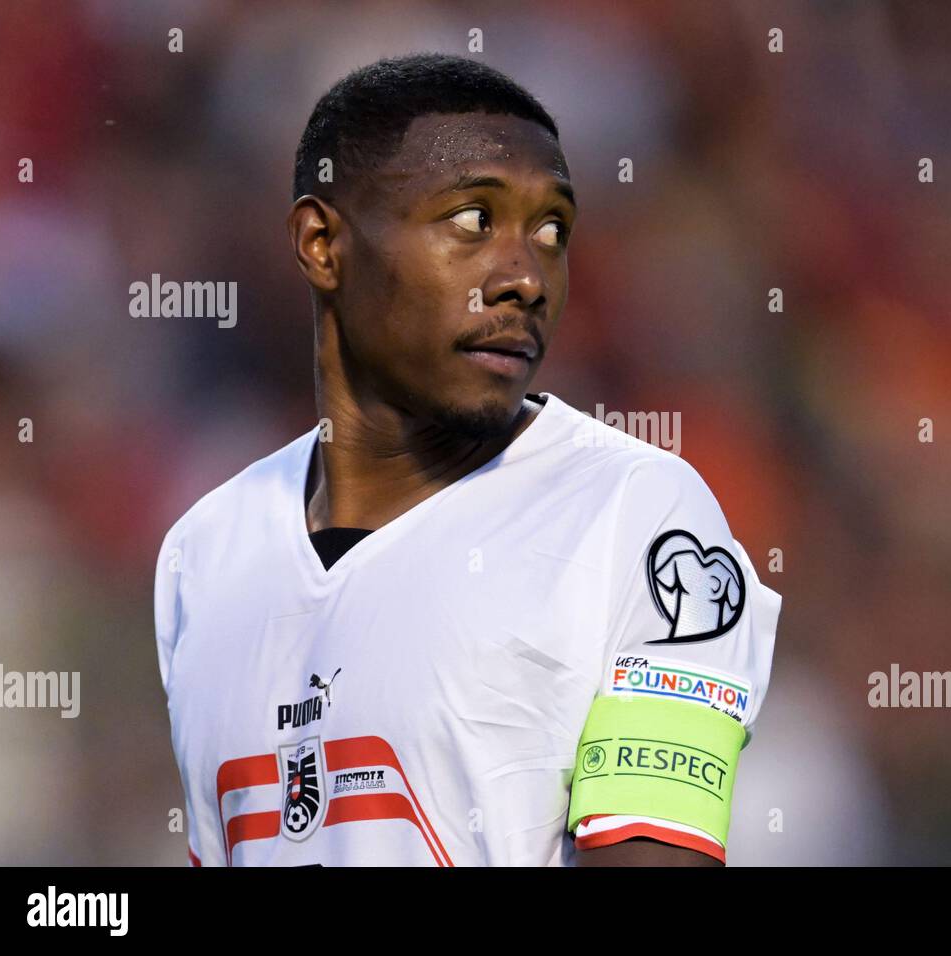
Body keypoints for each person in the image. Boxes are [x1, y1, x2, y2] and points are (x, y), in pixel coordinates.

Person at [154, 52, 781, 866]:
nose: (525, 276)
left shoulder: (641, 515)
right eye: (472, 221)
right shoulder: (201, 556)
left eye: (552, 230)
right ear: (321, 243)